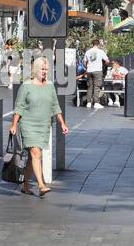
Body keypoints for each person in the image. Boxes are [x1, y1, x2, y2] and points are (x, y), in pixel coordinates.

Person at [9, 56, 69, 197]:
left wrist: (62, 123)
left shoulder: (49, 86)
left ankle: (24, 185)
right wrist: (14, 124)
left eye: (47, 69)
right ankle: (41, 185)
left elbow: (55, 106)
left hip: (43, 125)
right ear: (36, 69)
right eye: (42, 69)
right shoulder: (26, 86)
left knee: (33, 157)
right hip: (28, 124)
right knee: (36, 153)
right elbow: (19, 107)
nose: (45, 72)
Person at [83, 38, 109, 109]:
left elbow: (84, 62)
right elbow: (107, 60)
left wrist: (87, 67)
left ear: (92, 44)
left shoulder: (88, 51)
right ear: (98, 44)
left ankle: (88, 102)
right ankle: (96, 102)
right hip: (97, 70)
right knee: (97, 87)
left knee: (90, 87)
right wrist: (105, 64)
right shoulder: (100, 51)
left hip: (89, 70)